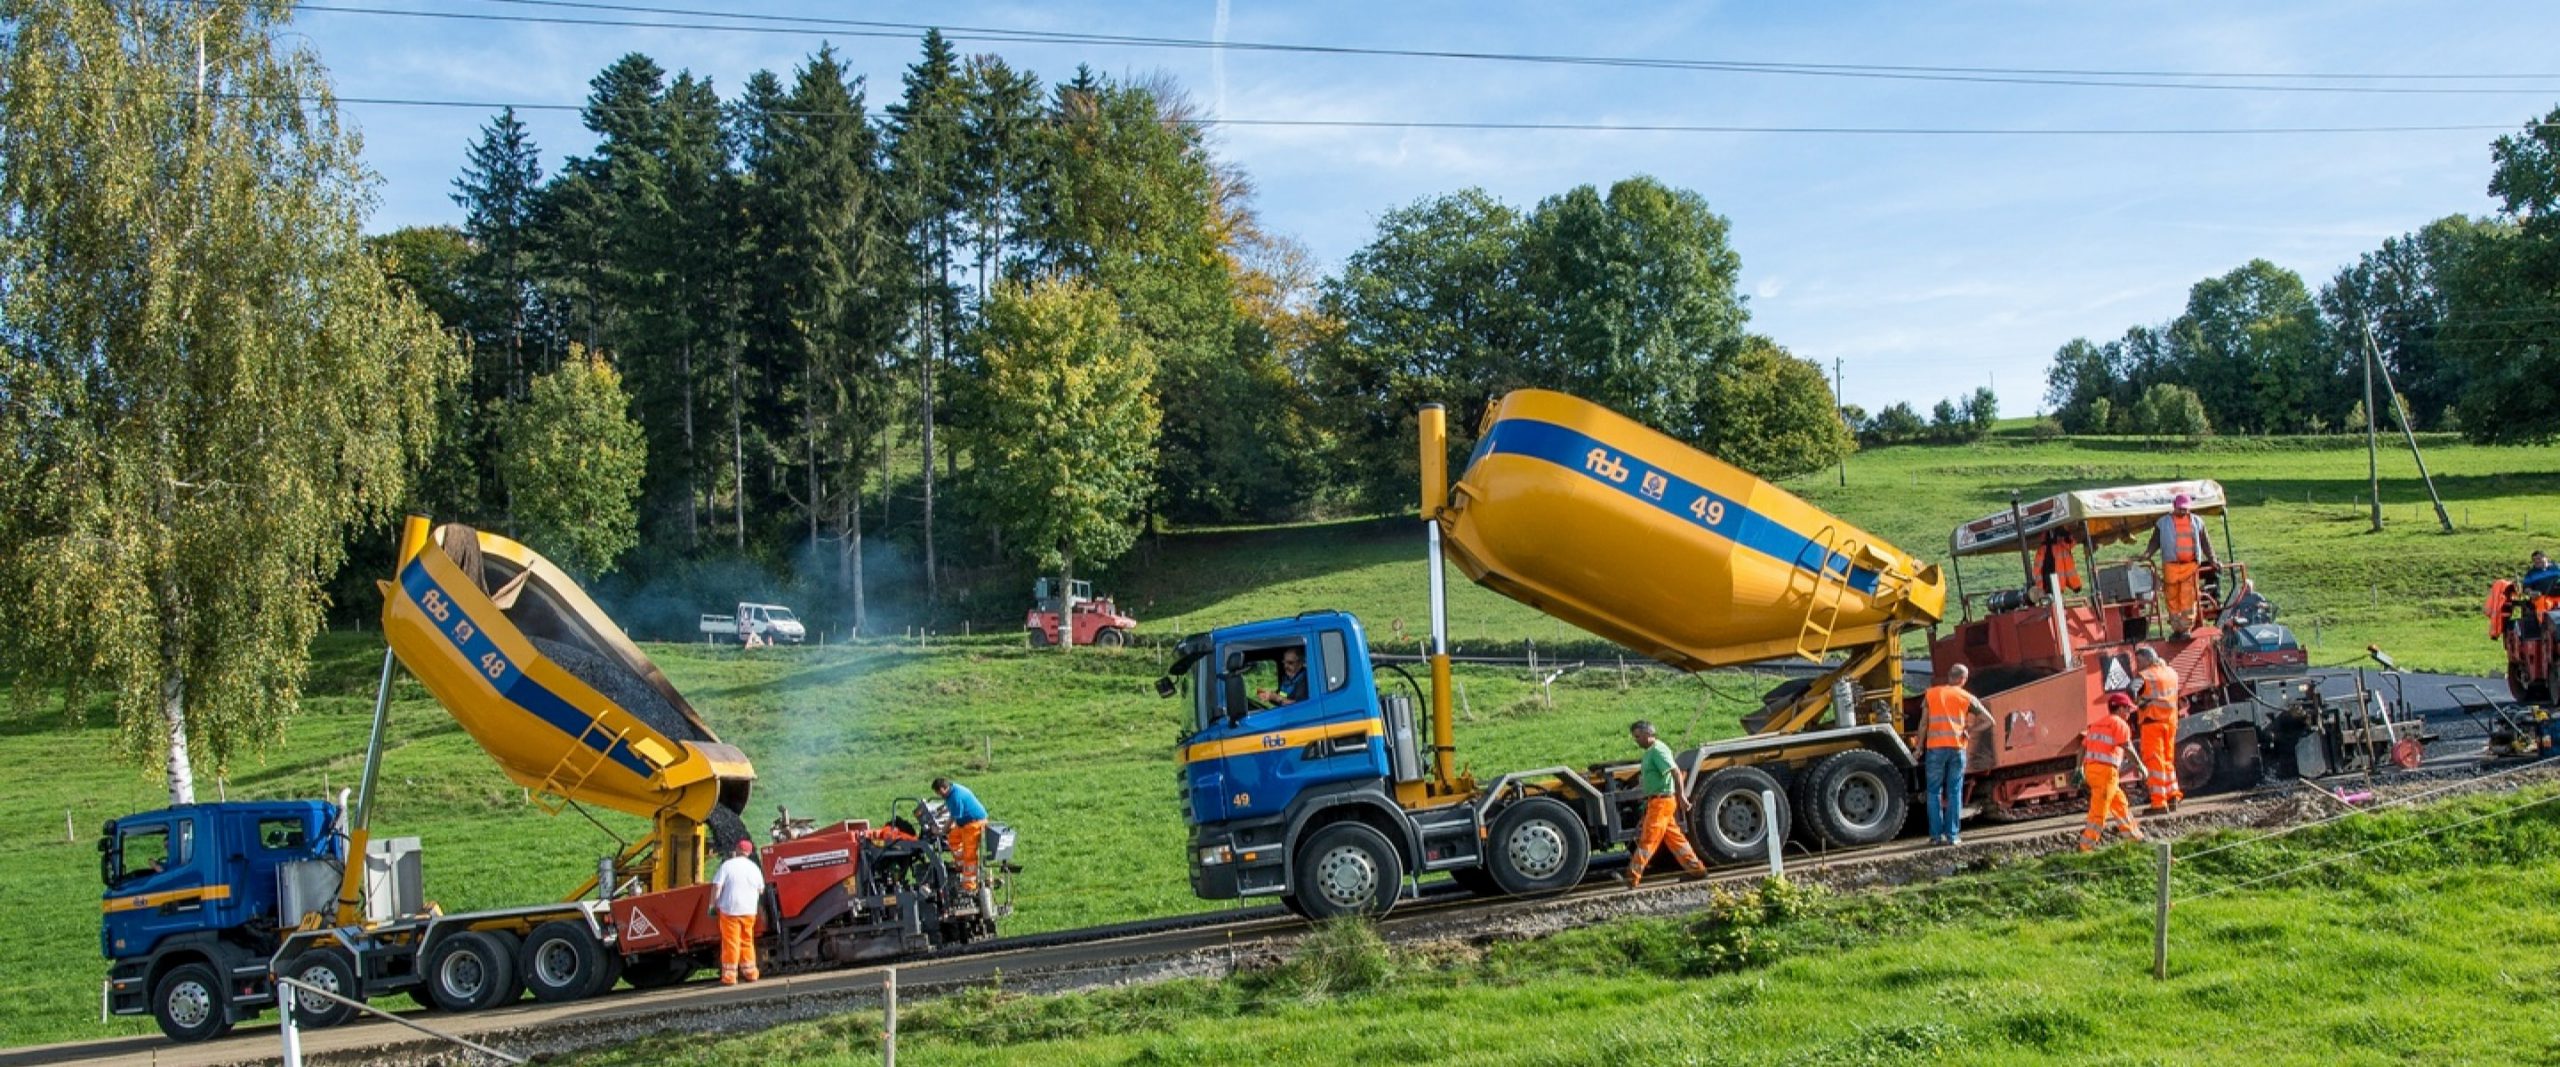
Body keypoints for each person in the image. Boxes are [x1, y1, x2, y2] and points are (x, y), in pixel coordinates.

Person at [1622, 720, 1708, 887]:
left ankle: (1632, 877)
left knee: (1648, 840)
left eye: (1638, 736)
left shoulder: (1658, 751)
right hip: (1658, 801)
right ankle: (1697, 871)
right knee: (1676, 840)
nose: (1636, 740)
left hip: (1662, 802)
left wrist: (1681, 796)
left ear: (1648, 734)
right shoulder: (1650, 752)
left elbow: (1675, 772)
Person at [1920, 665, 1988, 846]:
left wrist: (1919, 747)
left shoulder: (1931, 694)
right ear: (1963, 679)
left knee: (1934, 792)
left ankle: (1935, 837)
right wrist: (1969, 729)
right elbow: (1989, 721)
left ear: (1949, 676)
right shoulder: (1967, 697)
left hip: (1935, 749)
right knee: (1954, 792)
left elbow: (1923, 724)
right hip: (1957, 749)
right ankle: (1953, 836)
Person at [2141, 493, 2216, 633]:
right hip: (2171, 566)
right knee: (2172, 597)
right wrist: (2147, 554)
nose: (2183, 511)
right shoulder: (2162, 522)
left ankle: (2186, 629)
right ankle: (2177, 629)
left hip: (2190, 566)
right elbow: (2154, 541)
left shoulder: (2197, 522)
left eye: (2185, 508)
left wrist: (2213, 560)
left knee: (2188, 598)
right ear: (2174, 507)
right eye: (2180, 508)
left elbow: (2206, 543)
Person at [2078, 693, 2144, 852]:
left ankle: (2134, 837)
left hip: (2092, 771)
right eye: (2128, 709)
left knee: (2120, 804)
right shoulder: (2119, 724)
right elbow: (2127, 747)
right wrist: (2141, 766)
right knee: (2098, 813)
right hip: (2106, 773)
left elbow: (2082, 748)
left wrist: (2078, 768)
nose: (2129, 713)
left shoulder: (2098, 724)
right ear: (2120, 708)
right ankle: (2085, 848)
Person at [2132, 645, 2184, 813]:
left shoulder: (2146, 675)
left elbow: (2131, 688)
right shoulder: (2172, 673)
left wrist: (2137, 702)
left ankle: (2158, 803)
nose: (2137, 665)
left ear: (2147, 659)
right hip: (2170, 722)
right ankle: (2173, 795)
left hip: (2152, 722)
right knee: (2168, 761)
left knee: (2154, 763)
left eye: (2139, 661)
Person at [707, 836, 764, 985]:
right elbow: (761, 889)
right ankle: (751, 972)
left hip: (730, 910)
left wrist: (712, 905)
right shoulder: (754, 868)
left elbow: (717, 886)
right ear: (749, 853)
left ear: (737, 850)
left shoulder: (727, 865)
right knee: (747, 941)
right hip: (750, 911)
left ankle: (730, 976)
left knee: (731, 942)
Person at [933, 776, 990, 894]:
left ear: (944, 788)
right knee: (953, 838)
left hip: (974, 824)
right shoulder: (951, 791)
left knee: (969, 855)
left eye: (939, 792)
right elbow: (950, 807)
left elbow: (954, 817)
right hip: (964, 824)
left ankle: (969, 886)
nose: (939, 795)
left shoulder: (955, 796)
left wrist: (941, 831)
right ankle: (960, 865)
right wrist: (939, 812)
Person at [2038, 528, 2083, 598]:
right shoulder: (2063, 548)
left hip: (2051, 588)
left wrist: (2040, 589)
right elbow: (2070, 571)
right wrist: (2076, 586)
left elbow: (2069, 571)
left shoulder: (2061, 548)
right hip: (2052, 587)